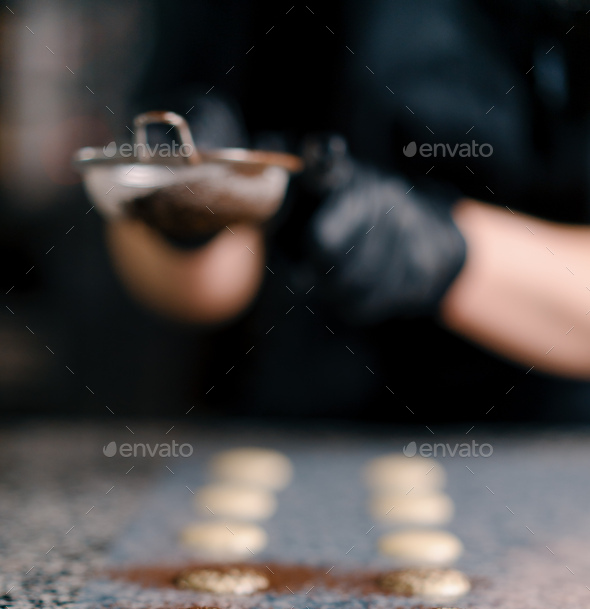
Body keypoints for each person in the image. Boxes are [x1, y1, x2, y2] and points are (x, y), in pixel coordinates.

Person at [106, 0, 590, 423]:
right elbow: (199, 291)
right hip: (304, 424)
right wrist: (190, 212)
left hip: (541, 443)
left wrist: (435, 251)